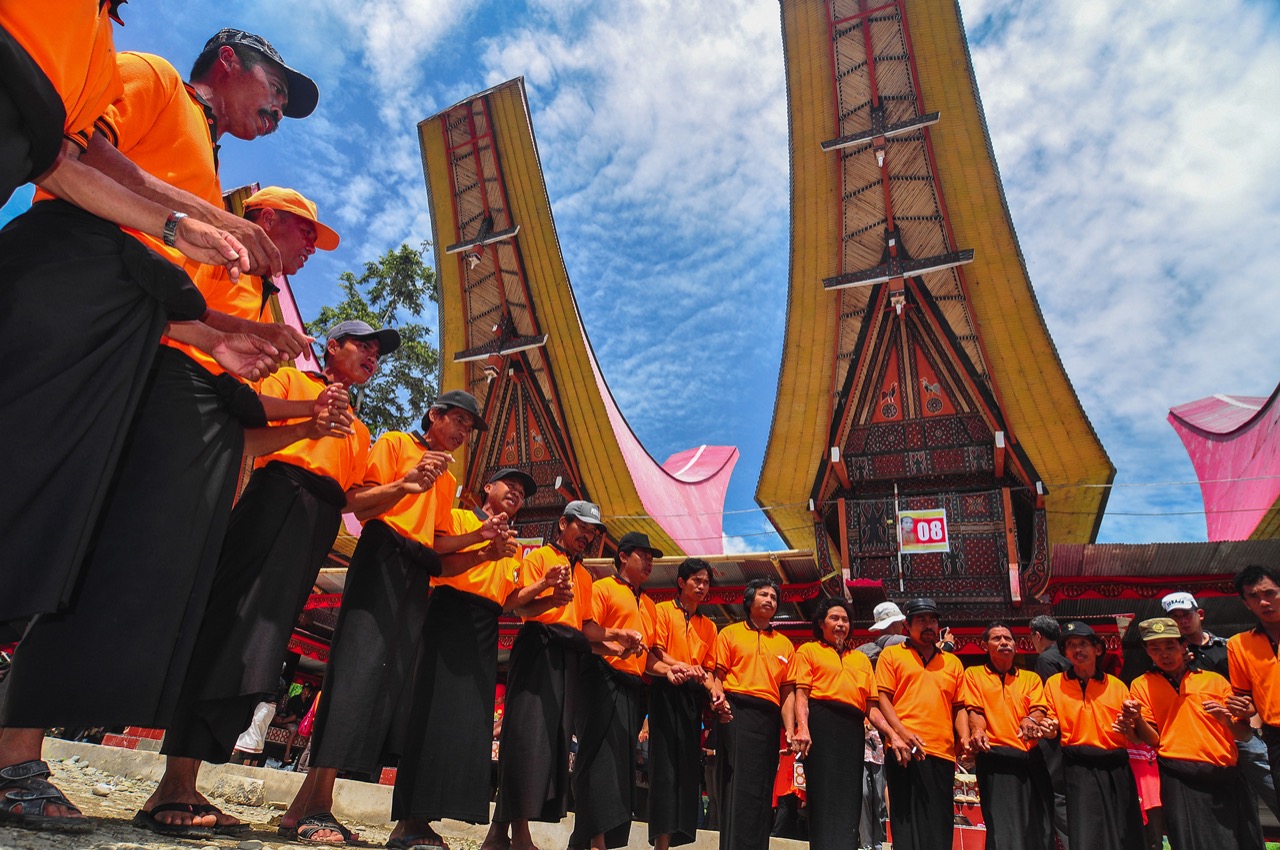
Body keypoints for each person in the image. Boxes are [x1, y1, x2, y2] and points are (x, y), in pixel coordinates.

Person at [0, 29, 319, 833]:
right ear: (228, 63)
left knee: (62, 537)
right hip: (71, 279)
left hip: (135, 321)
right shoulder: (147, 78)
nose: (280, 108)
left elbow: (160, 269)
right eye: (276, 87)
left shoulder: (202, 163)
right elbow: (71, 155)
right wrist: (200, 218)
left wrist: (214, 332)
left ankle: (15, 761)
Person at [138, 308, 394, 836]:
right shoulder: (289, 380)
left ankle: (190, 781)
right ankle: (172, 784)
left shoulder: (363, 430)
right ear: (331, 346)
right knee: (228, 628)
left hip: (318, 526)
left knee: (260, 651)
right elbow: (249, 437)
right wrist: (309, 418)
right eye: (362, 344)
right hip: (276, 500)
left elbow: (352, 498)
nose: (371, 356)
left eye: (377, 353)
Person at [281, 391, 490, 844]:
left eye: (469, 428)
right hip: (381, 557)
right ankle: (317, 805)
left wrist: (480, 538)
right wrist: (406, 483)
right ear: (433, 416)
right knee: (355, 673)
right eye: (457, 420)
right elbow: (357, 503)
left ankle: (305, 805)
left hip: (417, 572)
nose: (461, 432)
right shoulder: (396, 443)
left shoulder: (448, 482)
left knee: (381, 684)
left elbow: (435, 542)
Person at [391, 468, 566, 850]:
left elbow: (509, 601)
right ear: (488, 487)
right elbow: (434, 558)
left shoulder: (515, 547)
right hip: (448, 613)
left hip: (486, 625)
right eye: (510, 486)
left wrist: (546, 590)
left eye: (523, 492)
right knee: (430, 713)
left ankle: (427, 820)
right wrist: (483, 545)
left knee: (465, 724)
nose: (516, 494)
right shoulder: (459, 518)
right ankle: (408, 822)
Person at [483, 502, 644, 850]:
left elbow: (585, 629)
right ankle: (519, 836)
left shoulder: (585, 576)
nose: (586, 535)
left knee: (547, 743)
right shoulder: (539, 557)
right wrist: (547, 588)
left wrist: (618, 641)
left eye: (592, 531)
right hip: (538, 648)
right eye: (581, 527)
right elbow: (519, 605)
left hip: (569, 657)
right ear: (562, 523)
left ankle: (498, 834)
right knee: (526, 738)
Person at [570, 532, 700, 850]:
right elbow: (585, 632)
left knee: (619, 766)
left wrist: (670, 670)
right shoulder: (603, 589)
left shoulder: (650, 606)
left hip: (631, 688)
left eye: (652, 556)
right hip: (599, 679)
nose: (650, 561)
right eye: (643, 554)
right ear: (624, 557)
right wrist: (616, 644)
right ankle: (594, 843)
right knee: (598, 760)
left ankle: (589, 842)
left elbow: (648, 657)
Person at [1124, 616, 1262, 850]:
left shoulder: (1214, 681)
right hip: (1179, 777)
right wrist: (1136, 718)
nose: (1164, 654)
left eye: (1170, 646)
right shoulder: (1141, 685)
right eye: (1155, 648)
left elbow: (1244, 735)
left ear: (1183, 645)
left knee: (1236, 842)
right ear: (1147, 651)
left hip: (1224, 776)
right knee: (1188, 842)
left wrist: (1226, 720)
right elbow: (1153, 739)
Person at [784, 598, 890, 850]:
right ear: (821, 623)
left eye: (845, 620)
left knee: (850, 797)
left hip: (852, 731)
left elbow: (871, 708)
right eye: (835, 618)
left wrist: (893, 735)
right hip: (821, 726)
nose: (841, 624)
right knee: (823, 796)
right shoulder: (808, 651)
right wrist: (803, 727)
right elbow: (802, 695)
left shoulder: (861, 660)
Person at [1162, 590, 1279, 818]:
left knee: (1273, 786)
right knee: (1235, 808)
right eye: (1175, 616)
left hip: (1240, 732)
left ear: (1200, 614)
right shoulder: (1171, 656)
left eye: (1186, 614)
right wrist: (1177, 666)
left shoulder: (1230, 646)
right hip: (1204, 742)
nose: (1182, 621)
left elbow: (1257, 687)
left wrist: (1253, 721)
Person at [647, 557, 730, 850]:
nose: (703, 586)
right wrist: (685, 666)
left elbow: (707, 670)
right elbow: (655, 652)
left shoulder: (709, 625)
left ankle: (674, 839)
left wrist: (716, 694)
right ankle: (661, 843)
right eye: (697, 579)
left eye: (707, 582)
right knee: (664, 768)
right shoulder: (661, 611)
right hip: (665, 691)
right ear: (681, 582)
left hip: (692, 700)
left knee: (686, 770)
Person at [873, 597, 966, 850]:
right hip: (903, 749)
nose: (929, 625)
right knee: (906, 821)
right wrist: (900, 734)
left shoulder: (953, 663)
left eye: (933, 620)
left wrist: (964, 738)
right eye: (922, 619)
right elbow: (883, 698)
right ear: (907, 625)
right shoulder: (892, 655)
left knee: (940, 822)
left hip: (941, 750)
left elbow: (959, 707)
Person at [1042, 621, 1145, 850]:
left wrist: (1130, 726)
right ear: (1064, 653)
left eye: (1083, 643)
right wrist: (1048, 728)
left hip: (1115, 767)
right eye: (1070, 645)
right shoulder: (1053, 684)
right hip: (1078, 768)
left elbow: (1136, 738)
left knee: (1123, 832)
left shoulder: (1118, 686)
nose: (1077, 650)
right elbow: (1051, 725)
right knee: (1087, 834)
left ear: (1097, 649)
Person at [710, 577, 794, 850]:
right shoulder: (730, 634)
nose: (770, 600)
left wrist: (791, 729)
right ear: (749, 601)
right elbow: (718, 676)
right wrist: (718, 700)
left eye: (773, 596)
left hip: (768, 720)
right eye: (764, 595)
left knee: (762, 789)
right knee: (734, 785)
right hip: (735, 714)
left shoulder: (785, 644)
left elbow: (787, 693)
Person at [961, 621, 1056, 850]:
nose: (1004, 642)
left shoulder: (1031, 678)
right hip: (996, 760)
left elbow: (1039, 708)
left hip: (1031, 759)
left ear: (1016, 645)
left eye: (1008, 638)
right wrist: (978, 730)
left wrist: (1030, 719)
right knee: (1002, 829)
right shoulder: (973, 675)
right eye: (997, 638)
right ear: (985, 646)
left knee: (1039, 827)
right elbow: (975, 710)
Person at [1227, 564, 1280, 809]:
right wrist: (1241, 708)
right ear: (1246, 603)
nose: (1264, 602)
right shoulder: (1239, 645)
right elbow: (1244, 699)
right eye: (1254, 597)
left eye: (1270, 593)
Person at [1029, 613, 1071, 849]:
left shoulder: (1046, 660)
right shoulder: (1069, 657)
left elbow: (1050, 702)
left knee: (1058, 797)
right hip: (1074, 733)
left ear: (1037, 635)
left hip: (1056, 736)